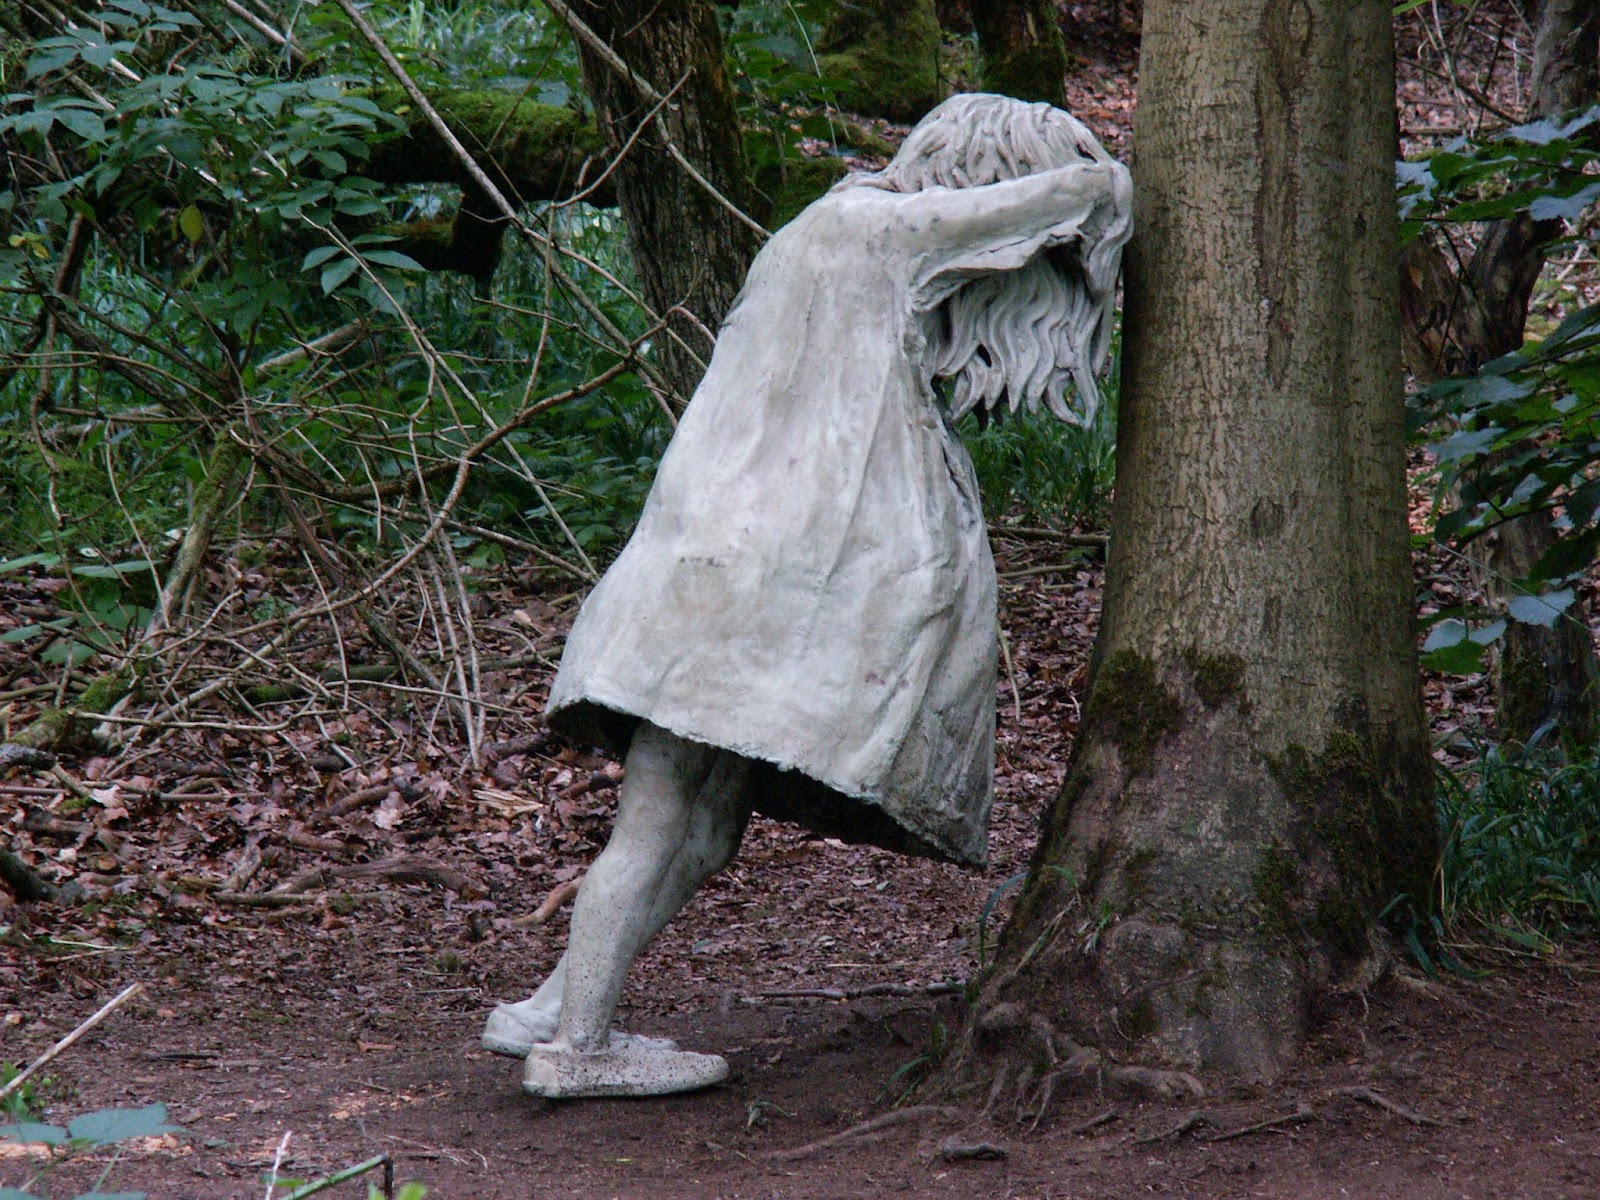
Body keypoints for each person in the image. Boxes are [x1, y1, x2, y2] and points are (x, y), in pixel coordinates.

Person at [486, 93, 1134, 1098]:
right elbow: (1080, 192)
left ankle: (551, 1007)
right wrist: (1098, 173)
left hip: (704, 563)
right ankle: (578, 1051)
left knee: (703, 828)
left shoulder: (819, 231)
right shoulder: (876, 229)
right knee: (655, 823)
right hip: (748, 575)